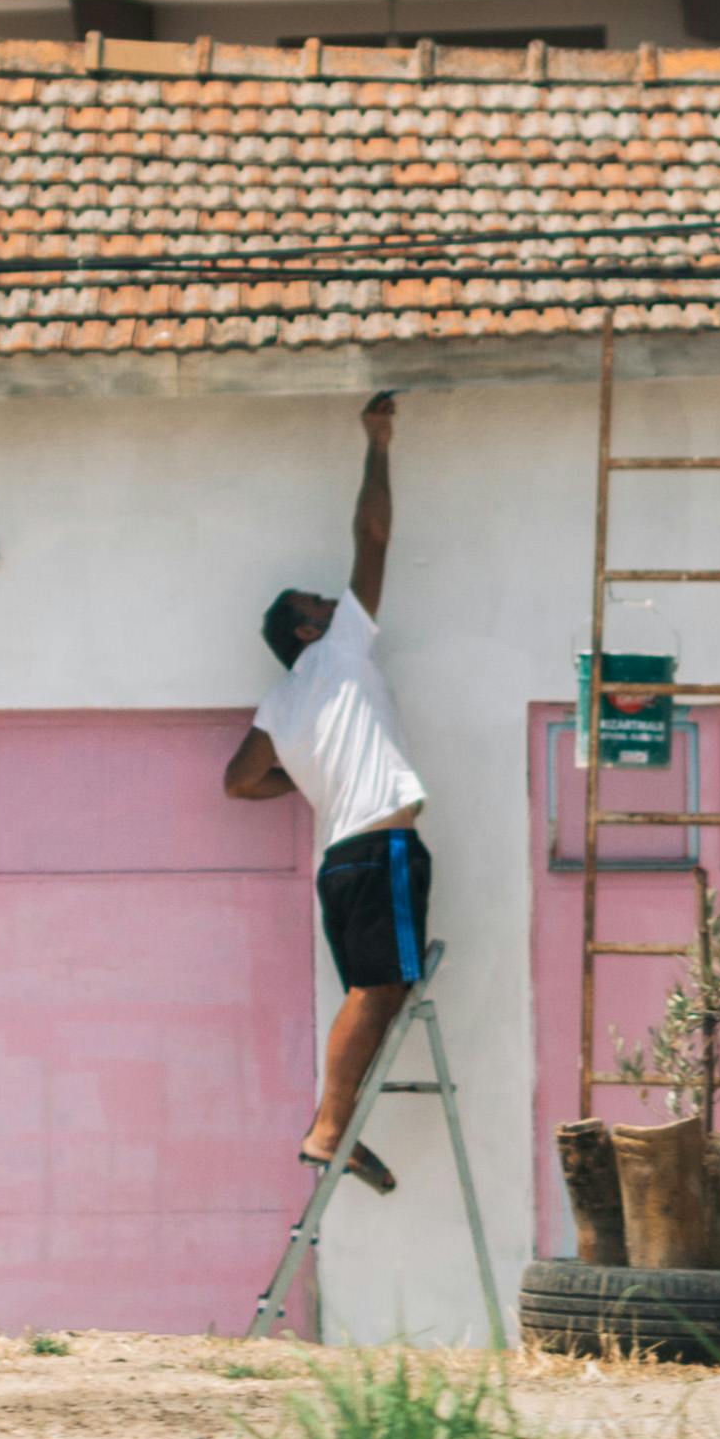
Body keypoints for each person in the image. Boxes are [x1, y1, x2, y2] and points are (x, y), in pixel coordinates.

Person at [225, 389, 426, 1191]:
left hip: (341, 859)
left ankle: (338, 1123)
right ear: (307, 628)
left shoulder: (283, 702)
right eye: (319, 602)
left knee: (378, 991)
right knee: (379, 988)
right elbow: (371, 536)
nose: (333, 600)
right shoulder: (339, 651)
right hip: (381, 848)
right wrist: (377, 443)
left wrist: (307, 776)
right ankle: (329, 1127)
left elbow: (239, 780)